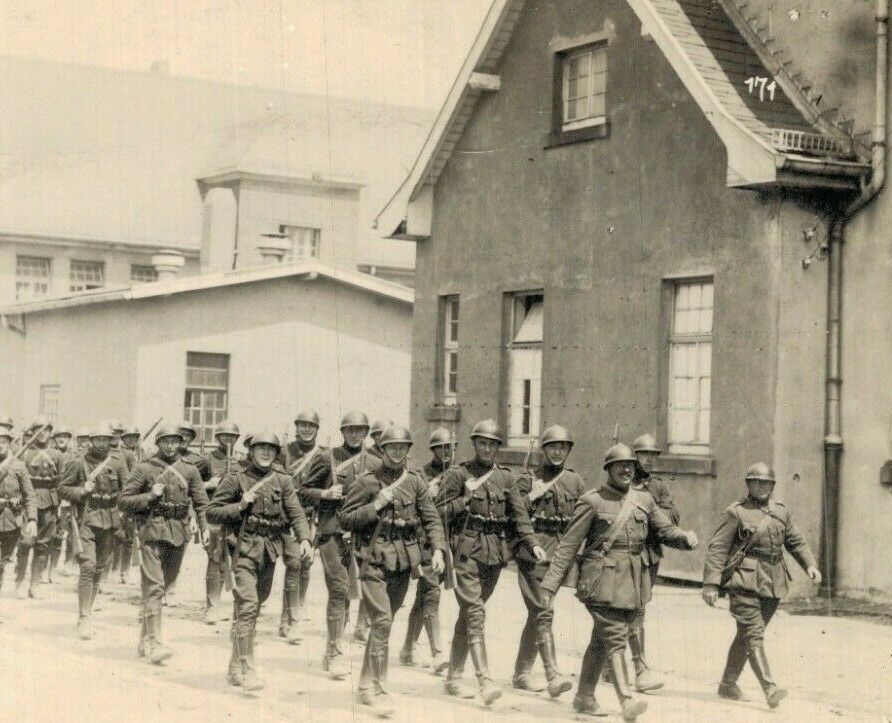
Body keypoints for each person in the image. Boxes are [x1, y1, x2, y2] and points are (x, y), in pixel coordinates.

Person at [540, 443, 699, 721]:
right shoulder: (593, 501)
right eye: (620, 466)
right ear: (609, 469)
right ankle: (626, 700)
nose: (626, 470)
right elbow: (568, 545)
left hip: (634, 581)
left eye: (630, 466)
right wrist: (550, 585)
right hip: (601, 580)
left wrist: (685, 538)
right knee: (615, 637)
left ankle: (584, 697)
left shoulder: (644, 500)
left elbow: (664, 530)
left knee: (601, 641)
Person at [339, 425, 447, 715]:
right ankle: (375, 686)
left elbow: (431, 518)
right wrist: (375, 505)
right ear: (383, 449)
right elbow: (345, 519)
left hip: (402, 562)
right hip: (372, 559)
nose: (397, 452)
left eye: (402, 447)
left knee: (384, 623)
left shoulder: (415, 482)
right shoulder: (367, 481)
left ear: (408, 450)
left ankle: (367, 682)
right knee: (383, 620)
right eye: (392, 447)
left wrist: (438, 548)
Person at [436, 419, 544, 705]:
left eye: (492, 444)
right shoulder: (458, 475)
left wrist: (532, 543)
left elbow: (519, 515)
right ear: (474, 444)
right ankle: (484, 680)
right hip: (465, 552)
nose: (486, 448)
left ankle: (453, 678)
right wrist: (464, 499)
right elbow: (436, 513)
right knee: (474, 613)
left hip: (494, 554)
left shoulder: (506, 478)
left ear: (498, 448)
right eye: (482, 443)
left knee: (470, 613)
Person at [702, 463, 821, 709]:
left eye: (766, 482)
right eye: (756, 482)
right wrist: (711, 583)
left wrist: (809, 564)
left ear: (773, 485)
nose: (762, 486)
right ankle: (770, 688)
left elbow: (795, 541)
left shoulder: (781, 512)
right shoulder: (736, 512)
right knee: (753, 633)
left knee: (747, 635)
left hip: (773, 583)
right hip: (743, 581)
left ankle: (727, 684)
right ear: (748, 484)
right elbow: (718, 548)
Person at [208, 432, 312, 691]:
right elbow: (212, 512)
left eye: (270, 449)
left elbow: (296, 513)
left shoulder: (283, 480)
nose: (265, 452)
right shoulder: (236, 478)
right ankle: (247, 668)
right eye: (260, 448)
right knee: (248, 606)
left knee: (253, 605)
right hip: (242, 549)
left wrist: (304, 539)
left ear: (276, 453)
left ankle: (235, 665)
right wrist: (239, 506)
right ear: (251, 451)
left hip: (269, 551)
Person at [119, 424, 210, 664]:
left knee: (164, 585)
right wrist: (149, 496)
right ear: (158, 443)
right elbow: (124, 500)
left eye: (174, 441)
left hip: (178, 532)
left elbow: (201, 503)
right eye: (165, 441)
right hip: (152, 530)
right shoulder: (144, 468)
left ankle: (145, 639)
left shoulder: (190, 470)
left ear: (181, 443)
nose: (170, 446)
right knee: (154, 587)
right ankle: (155, 642)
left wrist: (204, 527)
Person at [510, 425, 585, 699]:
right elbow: (513, 514)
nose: (557, 452)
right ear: (543, 449)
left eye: (563, 447)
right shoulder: (528, 478)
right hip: (533, 553)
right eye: (553, 447)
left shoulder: (575, 481)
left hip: (559, 556)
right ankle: (552, 674)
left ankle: (522, 673)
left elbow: (581, 519)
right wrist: (532, 495)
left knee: (538, 613)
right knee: (543, 610)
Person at [607, 433, 681, 693]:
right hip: (621, 554)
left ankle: (637, 668)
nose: (649, 460)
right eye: (644, 455)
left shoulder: (658, 487)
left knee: (637, 608)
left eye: (652, 455)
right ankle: (615, 664)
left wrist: (649, 508)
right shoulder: (619, 482)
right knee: (616, 608)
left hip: (647, 554)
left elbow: (672, 516)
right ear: (633, 457)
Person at [301, 410, 369, 679]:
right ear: (343, 432)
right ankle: (334, 649)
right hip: (332, 531)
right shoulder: (326, 458)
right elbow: (303, 491)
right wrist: (325, 493)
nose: (354, 434)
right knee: (339, 589)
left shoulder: (374, 462)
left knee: (352, 591)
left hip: (361, 534)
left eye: (359, 430)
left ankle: (338, 641)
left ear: (366, 433)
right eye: (350, 429)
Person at [60, 423, 129, 639]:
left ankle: (88, 611)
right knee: (88, 567)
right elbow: (62, 488)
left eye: (105, 439)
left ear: (111, 441)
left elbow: (128, 490)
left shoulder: (118, 462)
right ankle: (84, 617)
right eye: (97, 439)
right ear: (91, 441)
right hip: (87, 520)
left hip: (110, 521)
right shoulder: (79, 461)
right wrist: (81, 490)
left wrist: (124, 514)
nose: (101, 443)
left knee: (99, 569)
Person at [399, 427, 454, 672]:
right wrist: (429, 495)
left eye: (449, 447)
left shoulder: (459, 474)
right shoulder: (420, 474)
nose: (445, 452)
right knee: (431, 593)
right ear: (433, 450)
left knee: (423, 596)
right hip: (426, 542)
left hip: (449, 544)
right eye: (440, 448)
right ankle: (438, 652)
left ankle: (407, 649)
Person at [277, 409, 325, 641]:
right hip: (286, 516)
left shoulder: (323, 455)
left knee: (305, 563)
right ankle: (289, 618)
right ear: (296, 427)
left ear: (317, 429)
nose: (307, 429)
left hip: (310, 515)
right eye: (303, 425)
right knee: (294, 563)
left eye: (311, 426)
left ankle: (294, 610)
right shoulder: (284, 452)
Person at [16, 417, 62, 599]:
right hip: (28, 501)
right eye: (38, 430)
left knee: (43, 545)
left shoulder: (57, 455)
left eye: (46, 430)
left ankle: (35, 582)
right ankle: (20, 580)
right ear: (33, 431)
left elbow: (61, 481)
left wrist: (58, 505)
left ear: (50, 432)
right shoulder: (25, 452)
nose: (42, 434)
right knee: (26, 542)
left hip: (49, 502)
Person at [201, 421, 241, 625]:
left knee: (234, 560)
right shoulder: (207, 459)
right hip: (215, 515)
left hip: (234, 516)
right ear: (217, 437)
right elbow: (193, 486)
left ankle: (236, 607)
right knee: (215, 559)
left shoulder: (241, 461)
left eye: (232, 436)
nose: (228, 439)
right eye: (224, 436)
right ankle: (212, 607)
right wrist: (209, 484)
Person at [0, 427, 37, 596]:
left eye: (4, 441)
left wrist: (32, 519)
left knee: (7, 556)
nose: (0, 445)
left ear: (9, 443)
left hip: (12, 519)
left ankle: (19, 581)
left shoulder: (18, 465)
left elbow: (29, 495)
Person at [48, 425, 78, 583]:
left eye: (65, 436)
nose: (61, 439)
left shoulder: (75, 456)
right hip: (54, 499)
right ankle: (51, 568)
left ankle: (68, 564)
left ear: (69, 439)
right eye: (58, 436)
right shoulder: (50, 454)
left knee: (73, 533)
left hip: (71, 499)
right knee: (55, 534)